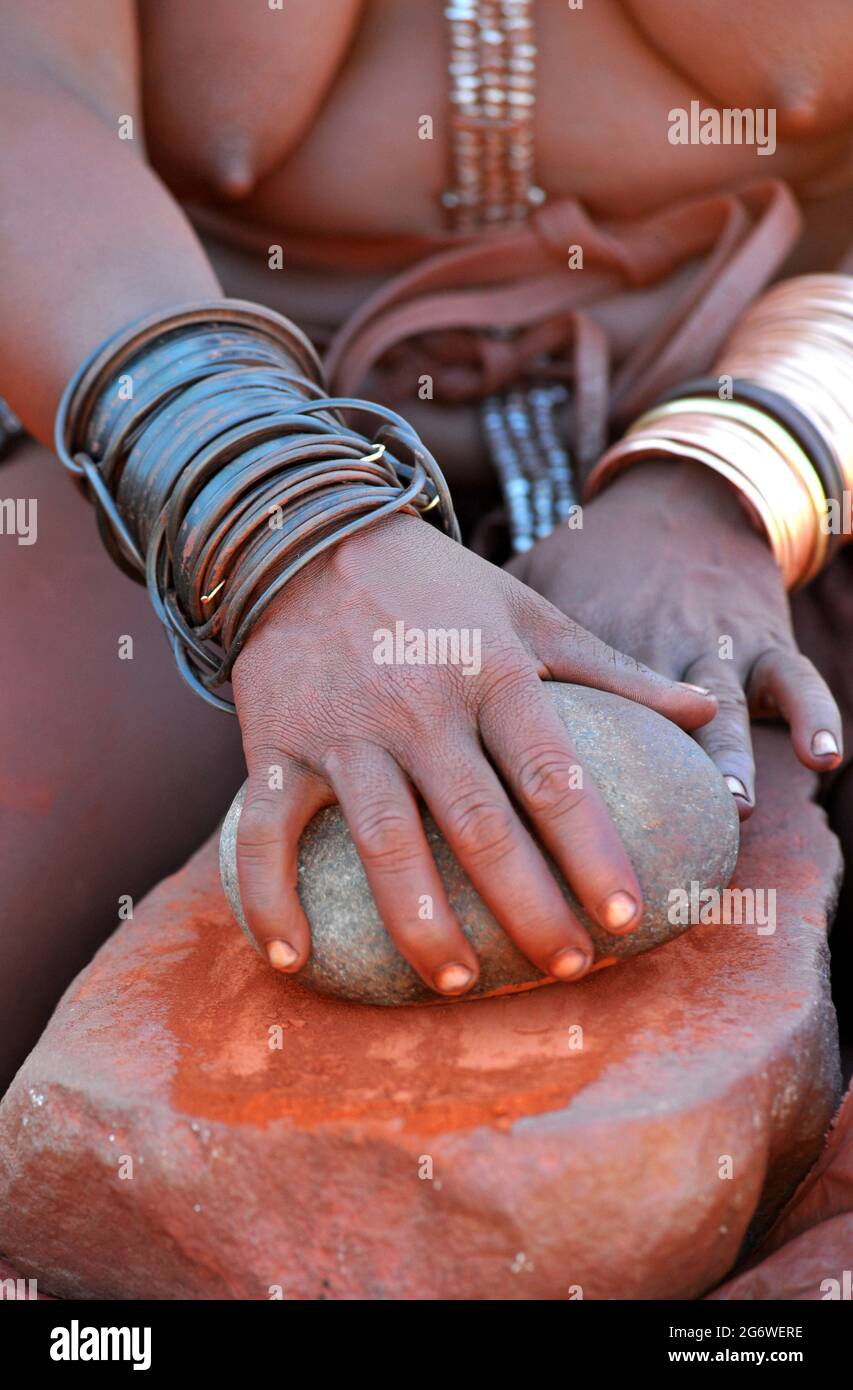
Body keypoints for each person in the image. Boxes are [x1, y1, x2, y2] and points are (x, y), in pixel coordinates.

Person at [0, 0, 850, 1096]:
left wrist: (734, 472)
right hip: (181, 422)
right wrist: (281, 525)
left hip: (798, 405)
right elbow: (23, 86)